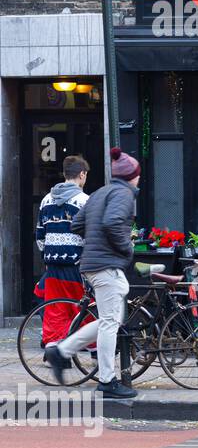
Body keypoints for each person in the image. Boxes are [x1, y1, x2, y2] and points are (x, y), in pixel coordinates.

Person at [41, 148, 141, 399]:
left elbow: (77, 225)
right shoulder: (123, 194)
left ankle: (60, 351)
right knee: (110, 323)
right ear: (132, 176)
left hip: (85, 264)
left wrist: (95, 241)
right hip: (105, 264)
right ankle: (107, 380)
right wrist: (125, 248)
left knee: (110, 319)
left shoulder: (99, 193)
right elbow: (111, 223)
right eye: (138, 174)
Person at [35, 155, 91, 346]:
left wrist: (47, 257)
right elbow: (91, 236)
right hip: (76, 264)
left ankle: (54, 350)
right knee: (84, 308)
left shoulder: (45, 200)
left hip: (53, 264)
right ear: (82, 174)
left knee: (55, 309)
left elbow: (40, 235)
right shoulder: (85, 201)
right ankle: (94, 352)